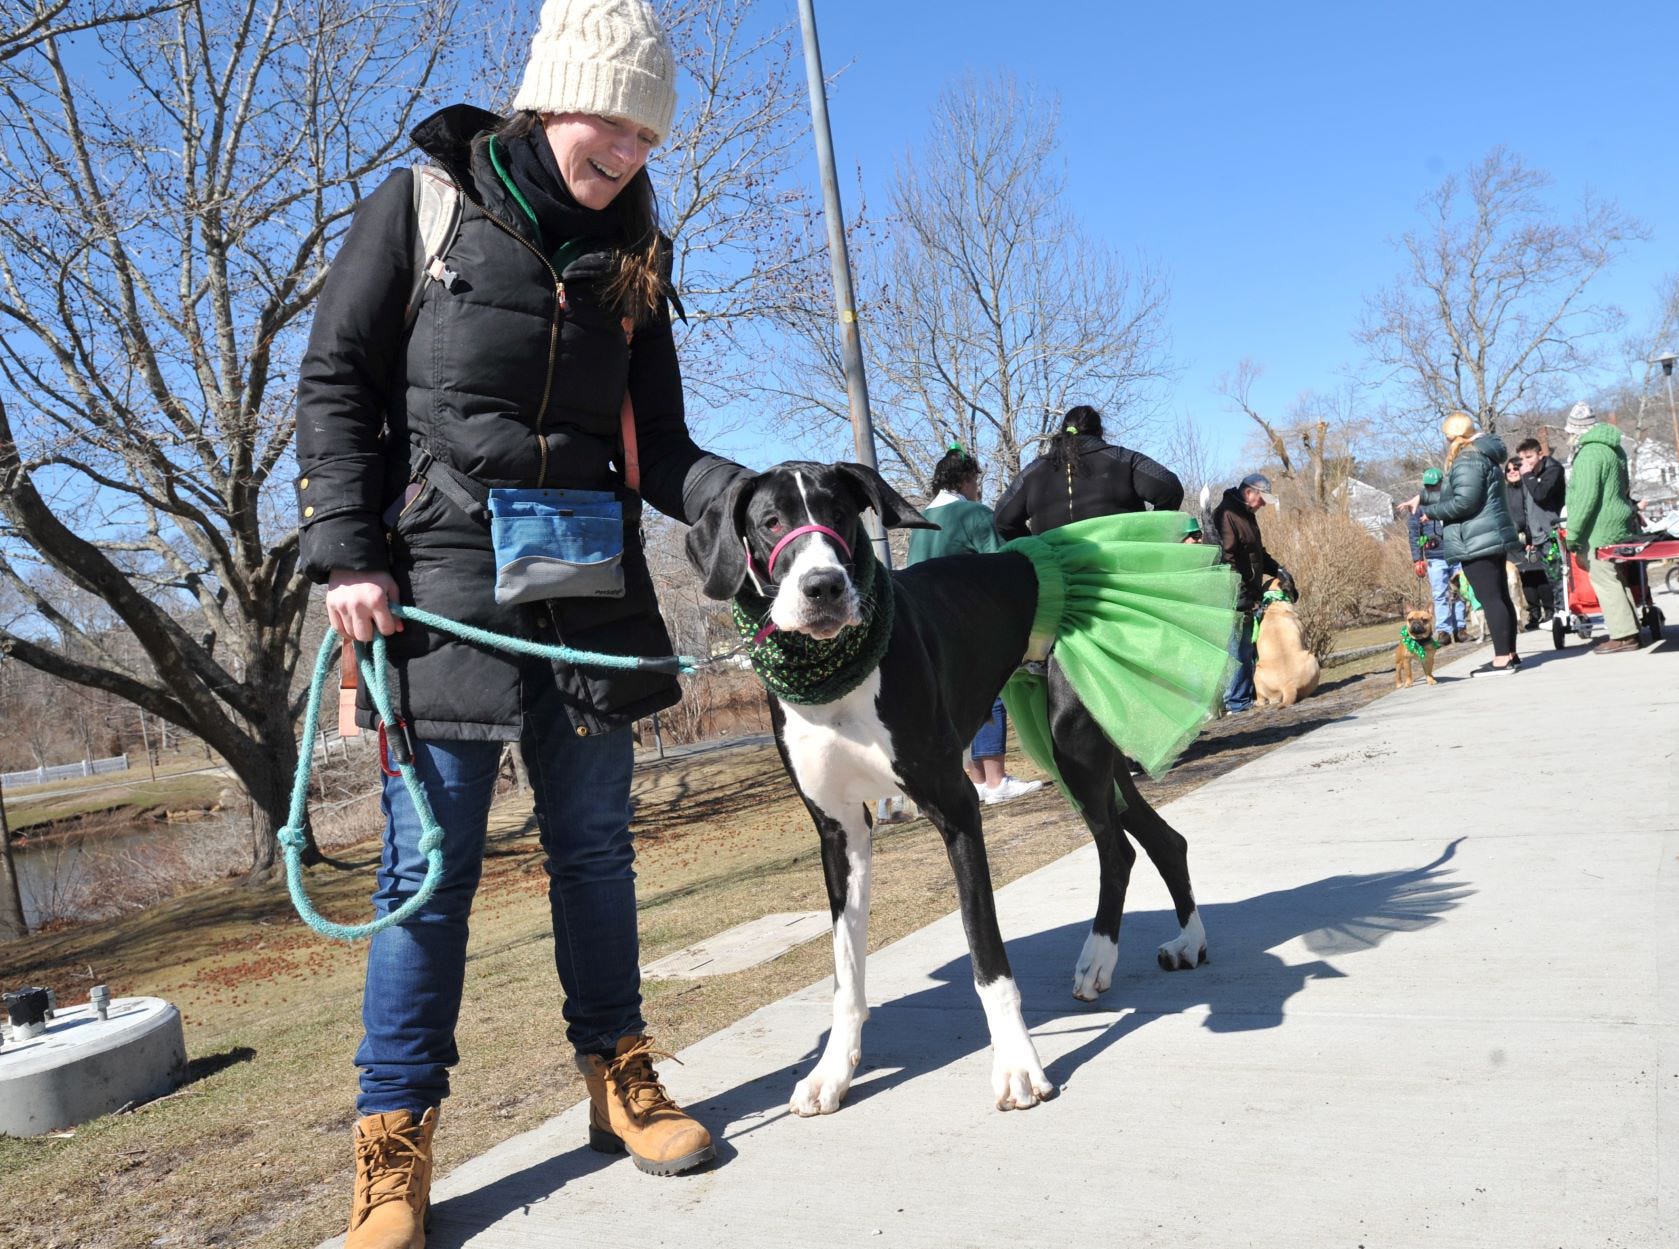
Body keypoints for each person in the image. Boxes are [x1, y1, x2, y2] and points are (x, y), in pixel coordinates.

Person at [295, 3, 744, 1242]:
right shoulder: (423, 210)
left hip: (586, 591)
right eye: (616, 126)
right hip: (437, 591)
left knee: (596, 853)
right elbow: (335, 376)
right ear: (551, 99)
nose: (631, 156)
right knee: (424, 878)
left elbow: (662, 449)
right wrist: (345, 551)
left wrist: (752, 502)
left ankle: (618, 1076)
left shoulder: (639, 253)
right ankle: (392, 1145)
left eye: (651, 138)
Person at [904, 445, 1043, 805]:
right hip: (967, 616)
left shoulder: (921, 519)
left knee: (952, 699)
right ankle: (997, 781)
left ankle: (976, 780)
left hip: (924, 623)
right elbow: (1002, 565)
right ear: (966, 479)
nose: (978, 489)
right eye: (975, 481)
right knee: (987, 693)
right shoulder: (973, 514)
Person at [1417, 412, 1521, 671]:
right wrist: (1421, 500)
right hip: (1488, 534)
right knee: (1499, 597)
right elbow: (1463, 492)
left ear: (1454, 437)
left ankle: (1501, 658)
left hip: (1476, 538)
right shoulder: (1482, 456)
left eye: (1447, 438)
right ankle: (1509, 653)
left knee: (1490, 599)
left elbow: (1465, 502)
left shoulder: (1468, 459)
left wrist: (1432, 512)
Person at [994, 405, 1183, 540]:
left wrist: (1036, 548)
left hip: (1058, 577)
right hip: (1119, 574)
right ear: (1100, 431)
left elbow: (1003, 519)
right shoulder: (1123, 459)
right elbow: (1170, 488)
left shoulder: (1034, 472)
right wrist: (1148, 533)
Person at [1562, 405, 1643, 654]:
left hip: (1598, 528)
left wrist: (1573, 535)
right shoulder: (1614, 449)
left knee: (1604, 579)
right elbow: (1625, 486)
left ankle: (1623, 635)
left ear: (1575, 432)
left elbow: (1585, 500)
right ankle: (1629, 628)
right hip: (1617, 521)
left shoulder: (1589, 455)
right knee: (1616, 577)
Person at [1213, 473, 1297, 713]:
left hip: (1249, 592)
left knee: (1248, 645)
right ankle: (1236, 701)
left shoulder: (1246, 516)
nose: (1263, 504)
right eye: (1262, 499)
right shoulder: (1227, 514)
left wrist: (1279, 570)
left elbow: (1257, 553)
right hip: (1234, 594)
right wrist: (1240, 595)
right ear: (1249, 492)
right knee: (1237, 646)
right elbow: (1226, 558)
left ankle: (1247, 695)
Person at [1407, 467, 1467, 645]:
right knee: (1440, 595)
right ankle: (1444, 631)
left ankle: (1461, 629)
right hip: (1434, 557)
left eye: (1435, 485)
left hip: (1456, 553)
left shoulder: (1452, 500)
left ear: (1442, 483)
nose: (1431, 489)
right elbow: (1414, 533)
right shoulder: (1419, 506)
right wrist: (1417, 559)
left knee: (1460, 593)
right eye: (1428, 486)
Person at [1511, 437, 1565, 628]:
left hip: (1553, 532)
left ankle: (1561, 613)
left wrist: (1528, 475)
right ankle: (1559, 612)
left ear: (1540, 454)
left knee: (1559, 574)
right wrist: (1528, 534)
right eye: (1522, 459)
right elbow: (1527, 506)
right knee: (1551, 575)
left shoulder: (1553, 469)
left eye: (1529, 457)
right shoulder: (1529, 474)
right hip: (1537, 534)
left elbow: (1541, 494)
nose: (1525, 462)